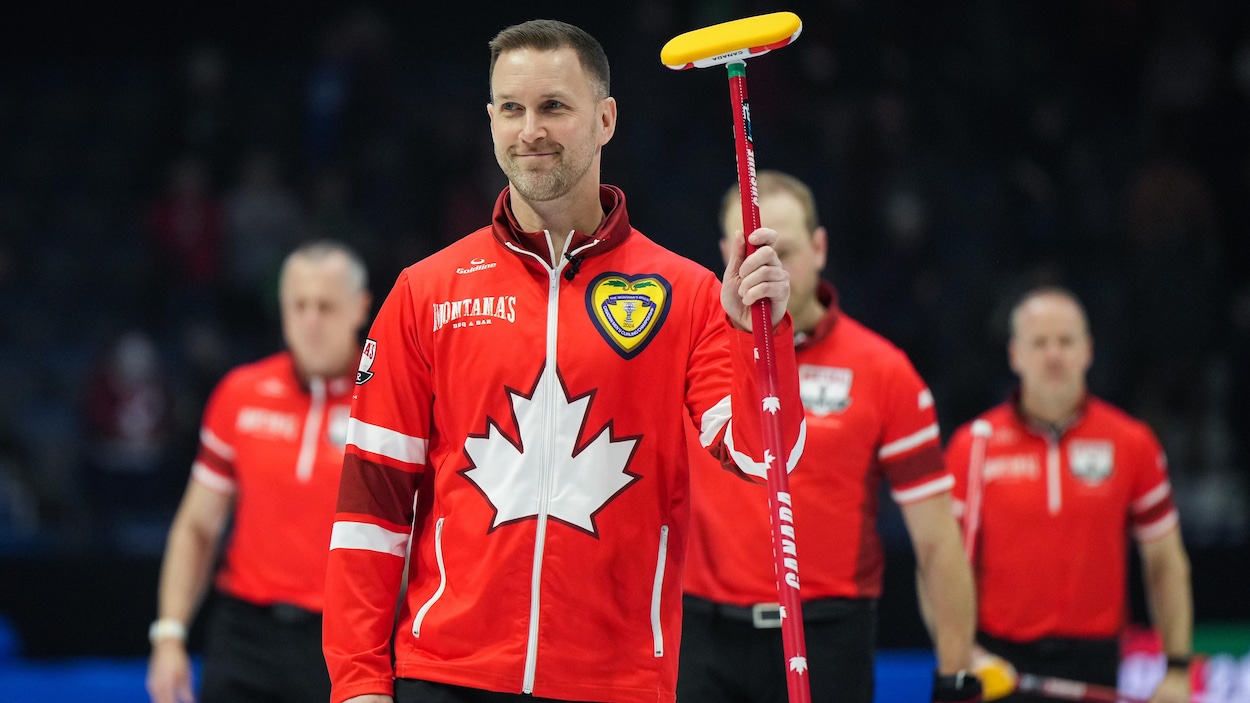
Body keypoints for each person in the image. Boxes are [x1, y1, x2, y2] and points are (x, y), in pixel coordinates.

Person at [321, 19, 805, 703]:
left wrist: (759, 333)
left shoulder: (691, 294)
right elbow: (372, 506)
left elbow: (763, 456)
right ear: (490, 120)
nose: (531, 131)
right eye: (512, 109)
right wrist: (358, 681)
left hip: (617, 683)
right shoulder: (423, 292)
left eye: (554, 107)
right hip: (445, 676)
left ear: (605, 119)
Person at [678, 171, 980, 703]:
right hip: (704, 638)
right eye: (748, 252)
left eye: (783, 251)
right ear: (725, 253)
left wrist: (956, 674)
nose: (765, 270)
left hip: (828, 636)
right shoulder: (693, 357)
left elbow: (937, 542)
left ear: (820, 249)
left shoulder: (884, 371)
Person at [146, 240, 373, 703]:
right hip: (243, 633)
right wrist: (168, 635)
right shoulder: (240, 394)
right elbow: (197, 527)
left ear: (360, 308)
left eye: (326, 306)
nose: (310, 320)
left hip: (345, 639)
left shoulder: (388, 401)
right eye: (299, 305)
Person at [945, 286, 1193, 703]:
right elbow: (942, 567)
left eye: (1065, 341)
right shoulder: (974, 444)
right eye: (1039, 343)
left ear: (1088, 351)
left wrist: (1178, 668)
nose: (1053, 355)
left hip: (1093, 664)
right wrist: (962, 650)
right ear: (1014, 355)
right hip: (996, 665)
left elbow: (1165, 563)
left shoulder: (1131, 443)